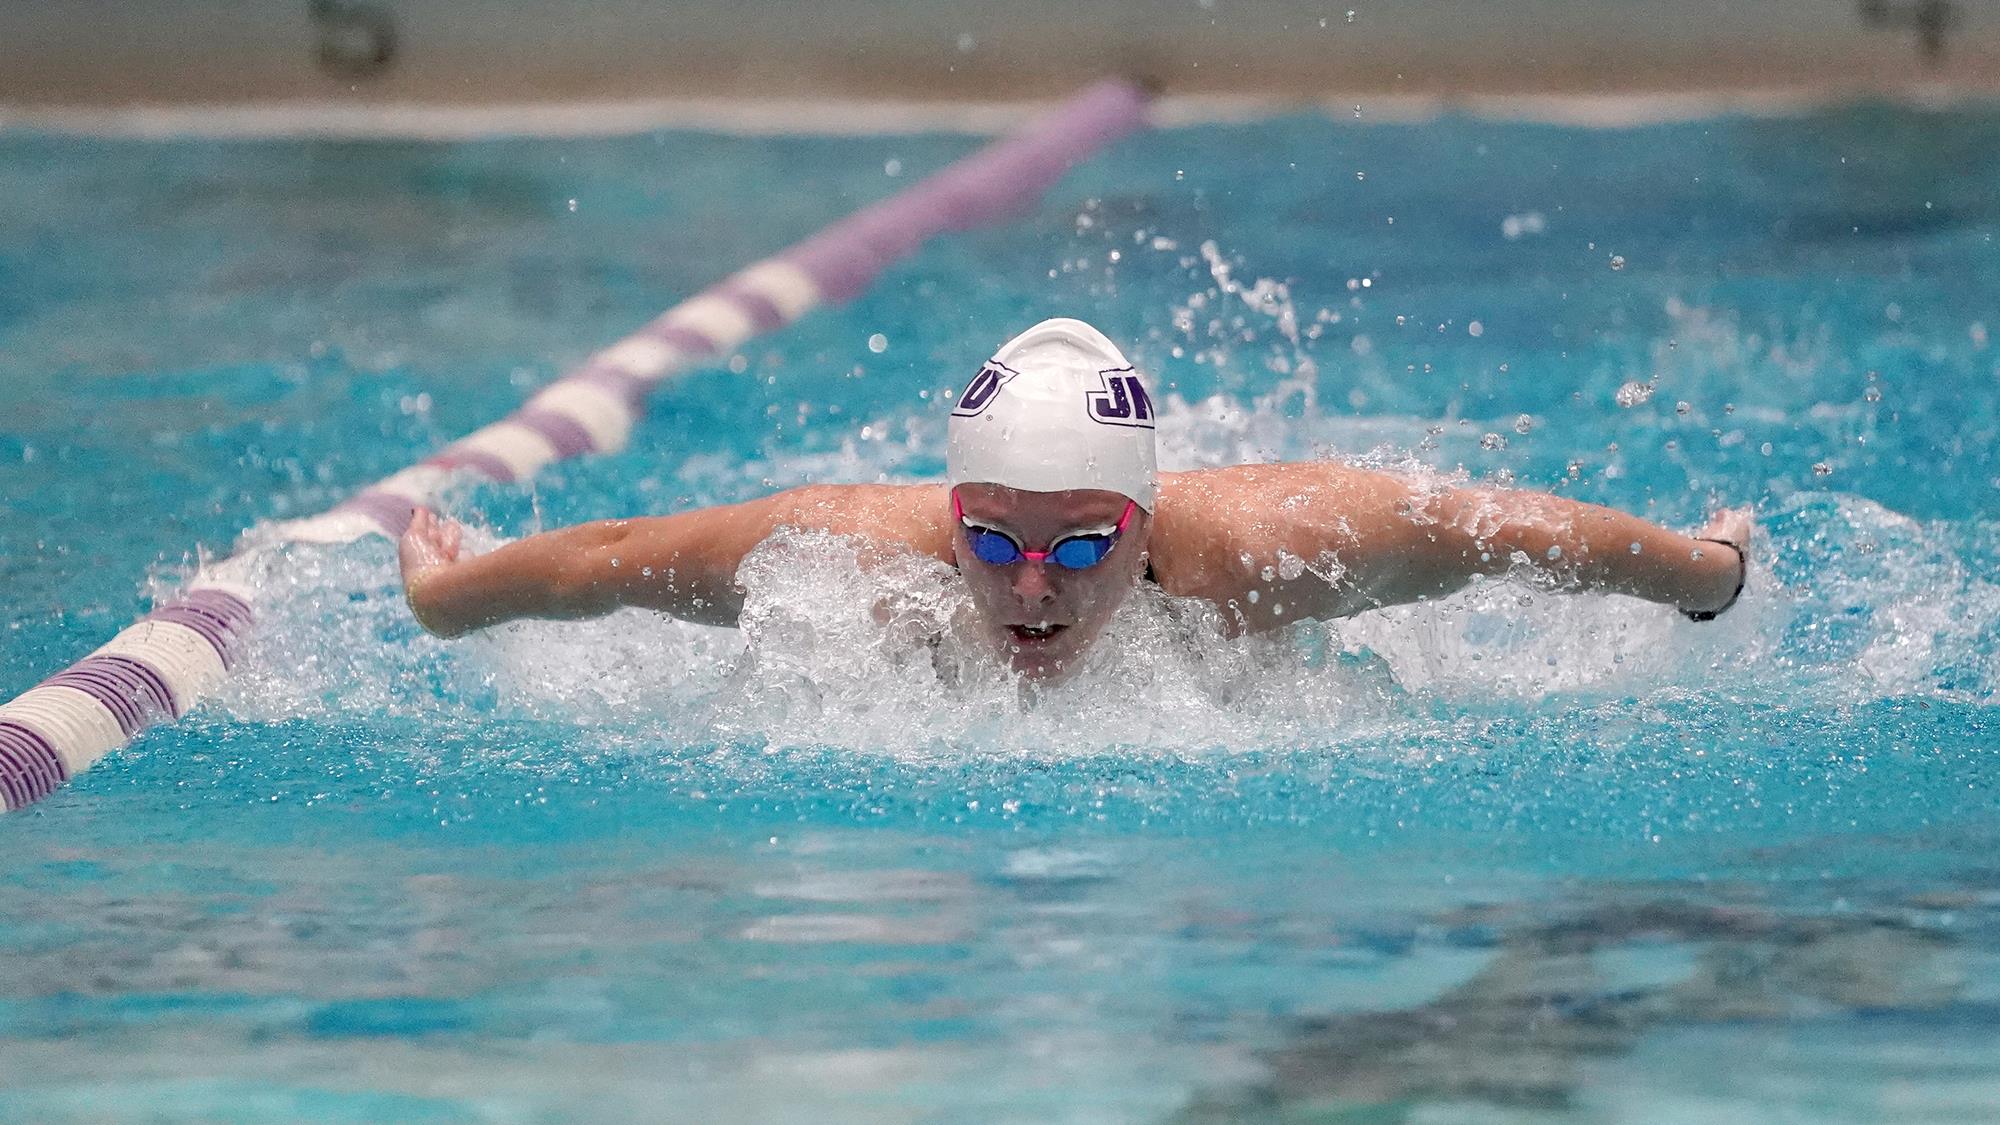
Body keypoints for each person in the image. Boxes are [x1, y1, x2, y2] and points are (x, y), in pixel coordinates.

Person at [399, 318, 1750, 680]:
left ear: (1145, 525)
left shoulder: (1276, 552)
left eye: (1082, 545)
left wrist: (1703, 578)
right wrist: (453, 601)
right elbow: (618, 557)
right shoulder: (854, 560)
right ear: (950, 510)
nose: (1030, 585)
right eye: (990, 538)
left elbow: (1499, 528)